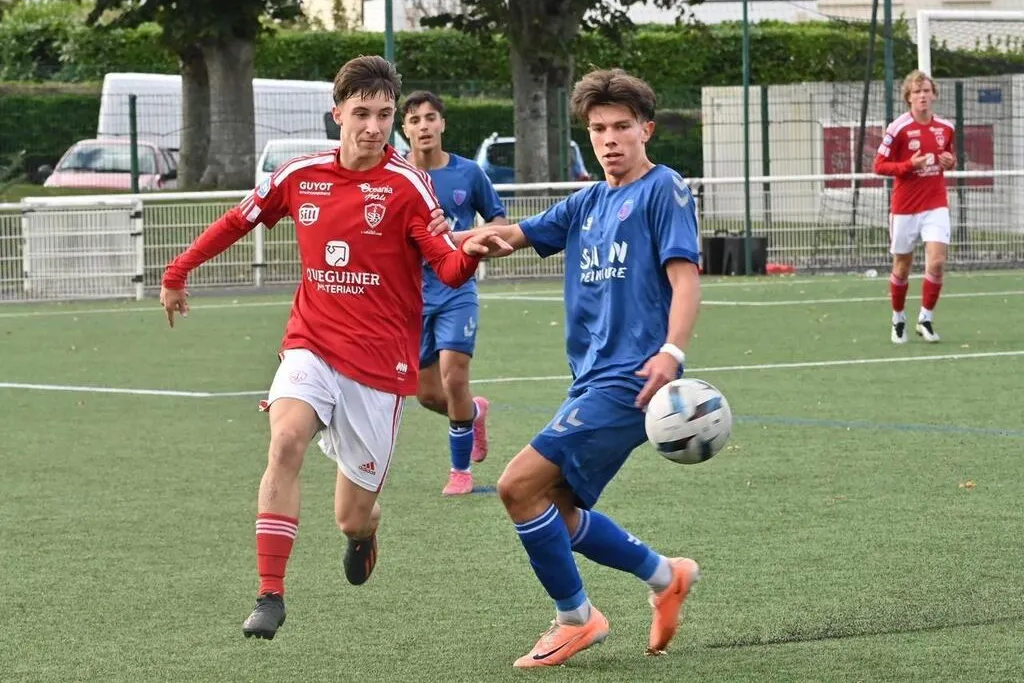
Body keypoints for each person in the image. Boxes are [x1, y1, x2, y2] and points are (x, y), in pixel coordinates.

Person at [158, 55, 511, 641]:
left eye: (384, 115)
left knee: (350, 514)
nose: (374, 127)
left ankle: (365, 532)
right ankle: (270, 594)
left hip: (380, 365)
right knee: (286, 440)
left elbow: (445, 268)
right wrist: (177, 272)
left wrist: (473, 251)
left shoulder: (406, 186)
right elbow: (236, 221)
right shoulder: (300, 176)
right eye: (361, 113)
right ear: (337, 114)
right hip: (311, 343)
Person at [472, 68, 703, 668]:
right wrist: (462, 242)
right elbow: (513, 235)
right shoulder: (587, 202)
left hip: (635, 377)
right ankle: (664, 575)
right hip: (590, 377)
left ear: (646, 129)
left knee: (517, 486)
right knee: (559, 509)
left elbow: (685, 279)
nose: (609, 139)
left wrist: (671, 353)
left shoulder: (664, 189)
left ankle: (577, 618)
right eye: (598, 128)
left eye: (622, 126)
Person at [400, 90, 509, 496]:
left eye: (431, 118)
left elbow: (498, 219)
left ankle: (459, 471)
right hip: (410, 296)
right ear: (405, 129)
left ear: (443, 124)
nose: (424, 126)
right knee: (428, 394)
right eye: (415, 120)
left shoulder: (468, 174)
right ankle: (474, 414)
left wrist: (478, 239)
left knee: (454, 377)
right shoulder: (396, 177)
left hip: (456, 288)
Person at [874, 69, 956, 344]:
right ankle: (898, 318)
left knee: (937, 262)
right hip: (905, 208)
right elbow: (879, 166)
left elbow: (949, 156)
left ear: (934, 95)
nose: (922, 96)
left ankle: (926, 318)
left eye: (926, 91)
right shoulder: (897, 128)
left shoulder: (946, 128)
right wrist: (910, 165)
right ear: (908, 97)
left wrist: (949, 161)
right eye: (917, 91)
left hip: (935, 204)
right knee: (902, 267)